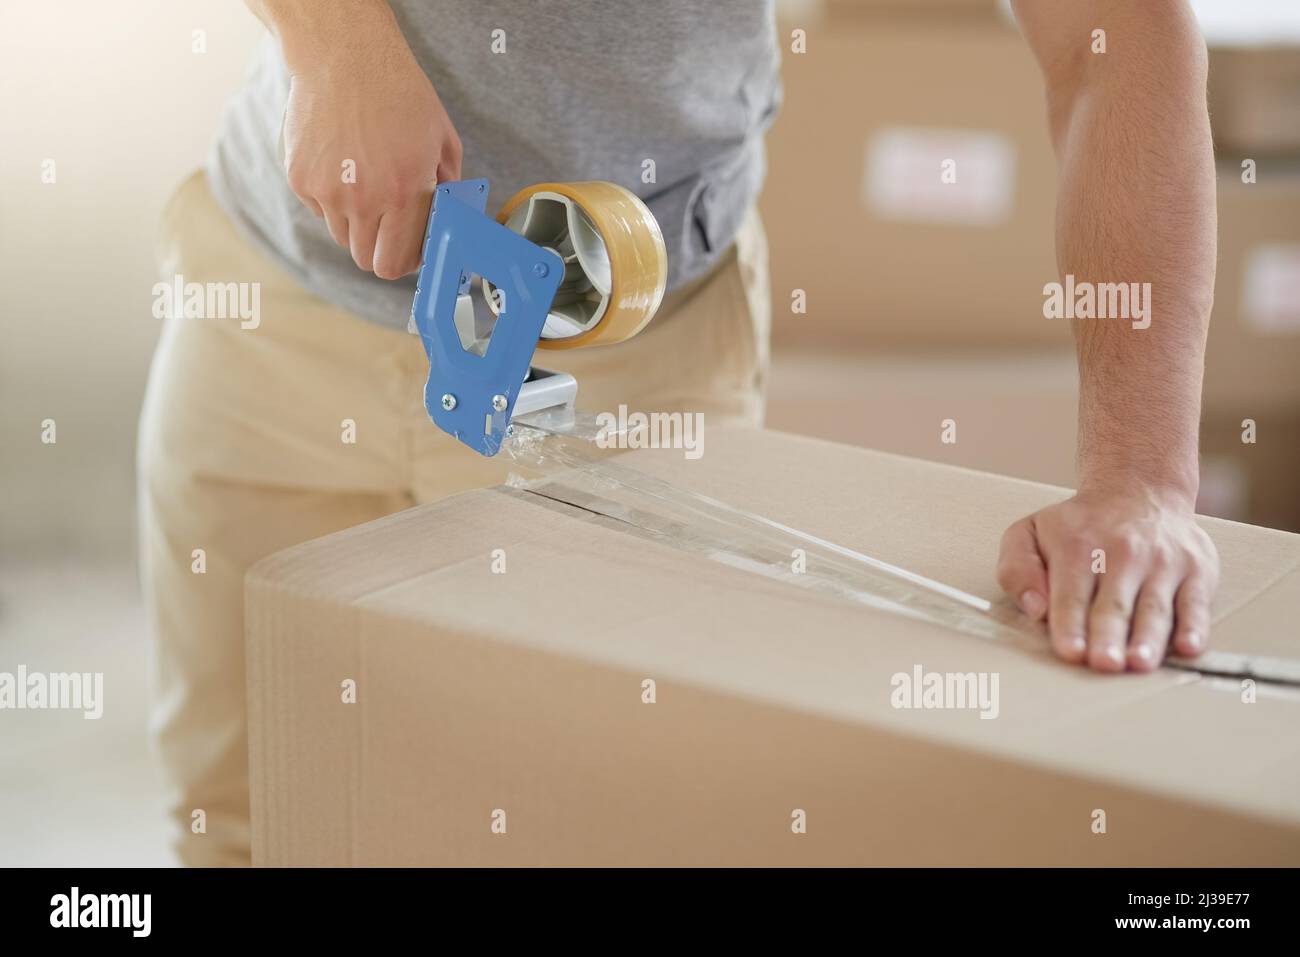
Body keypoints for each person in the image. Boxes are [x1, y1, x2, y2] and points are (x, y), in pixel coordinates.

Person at [139, 0, 1220, 866]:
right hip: (276, 317)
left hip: (638, 352)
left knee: (604, 821)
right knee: (248, 817)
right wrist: (336, 41)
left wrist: (1141, 481)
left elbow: (1115, 38)